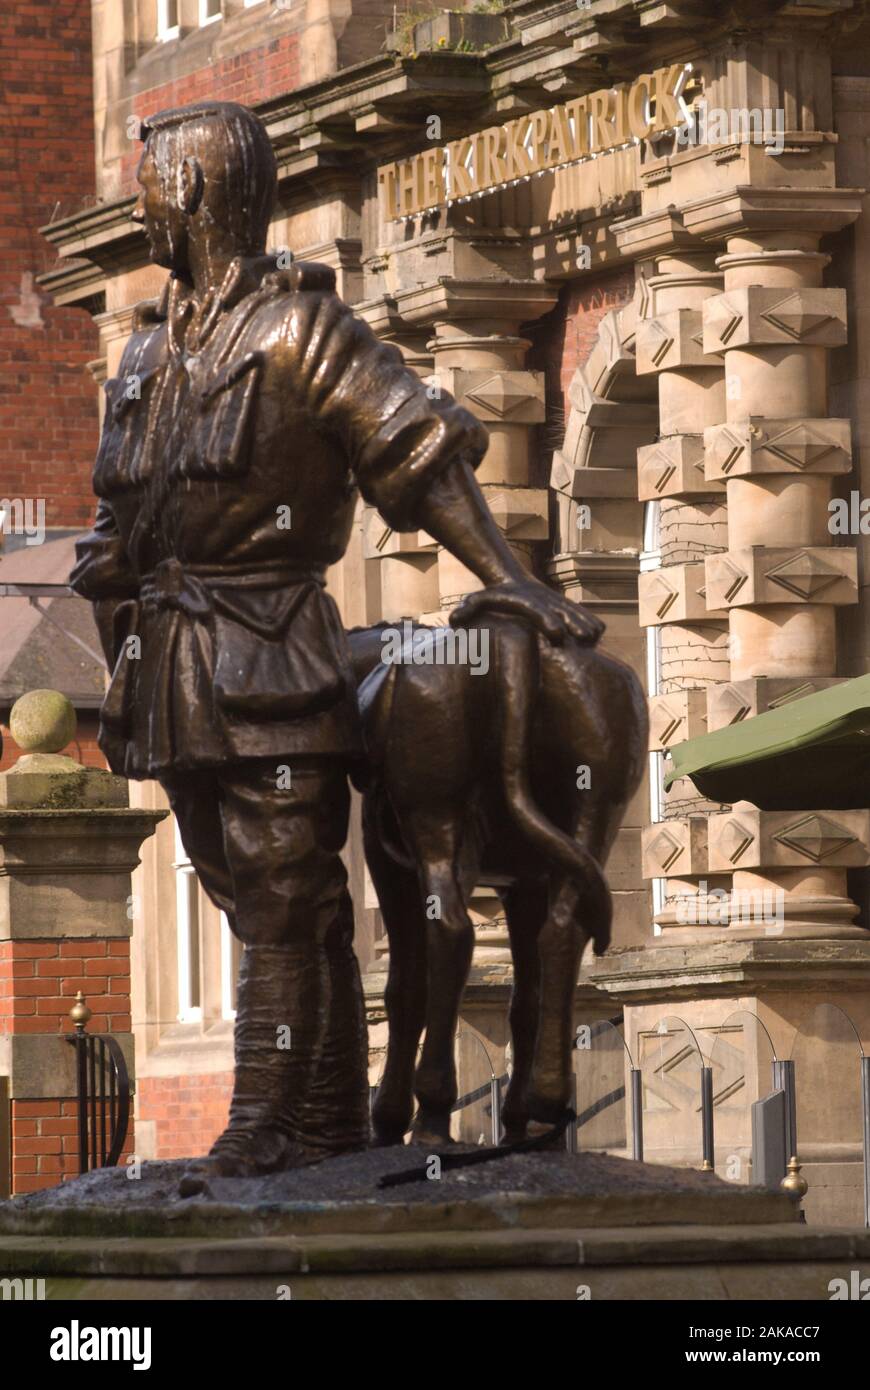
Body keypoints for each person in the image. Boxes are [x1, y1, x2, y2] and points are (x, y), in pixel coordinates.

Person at [70, 100, 603, 1189]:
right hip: (170, 663)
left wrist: (509, 579)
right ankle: (325, 1113)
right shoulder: (144, 354)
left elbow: (417, 456)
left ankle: (264, 1118)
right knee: (245, 887)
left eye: (154, 186)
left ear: (201, 192)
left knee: (280, 887)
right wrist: (107, 569)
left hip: (270, 650)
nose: (140, 207)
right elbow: (119, 512)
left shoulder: (304, 332)